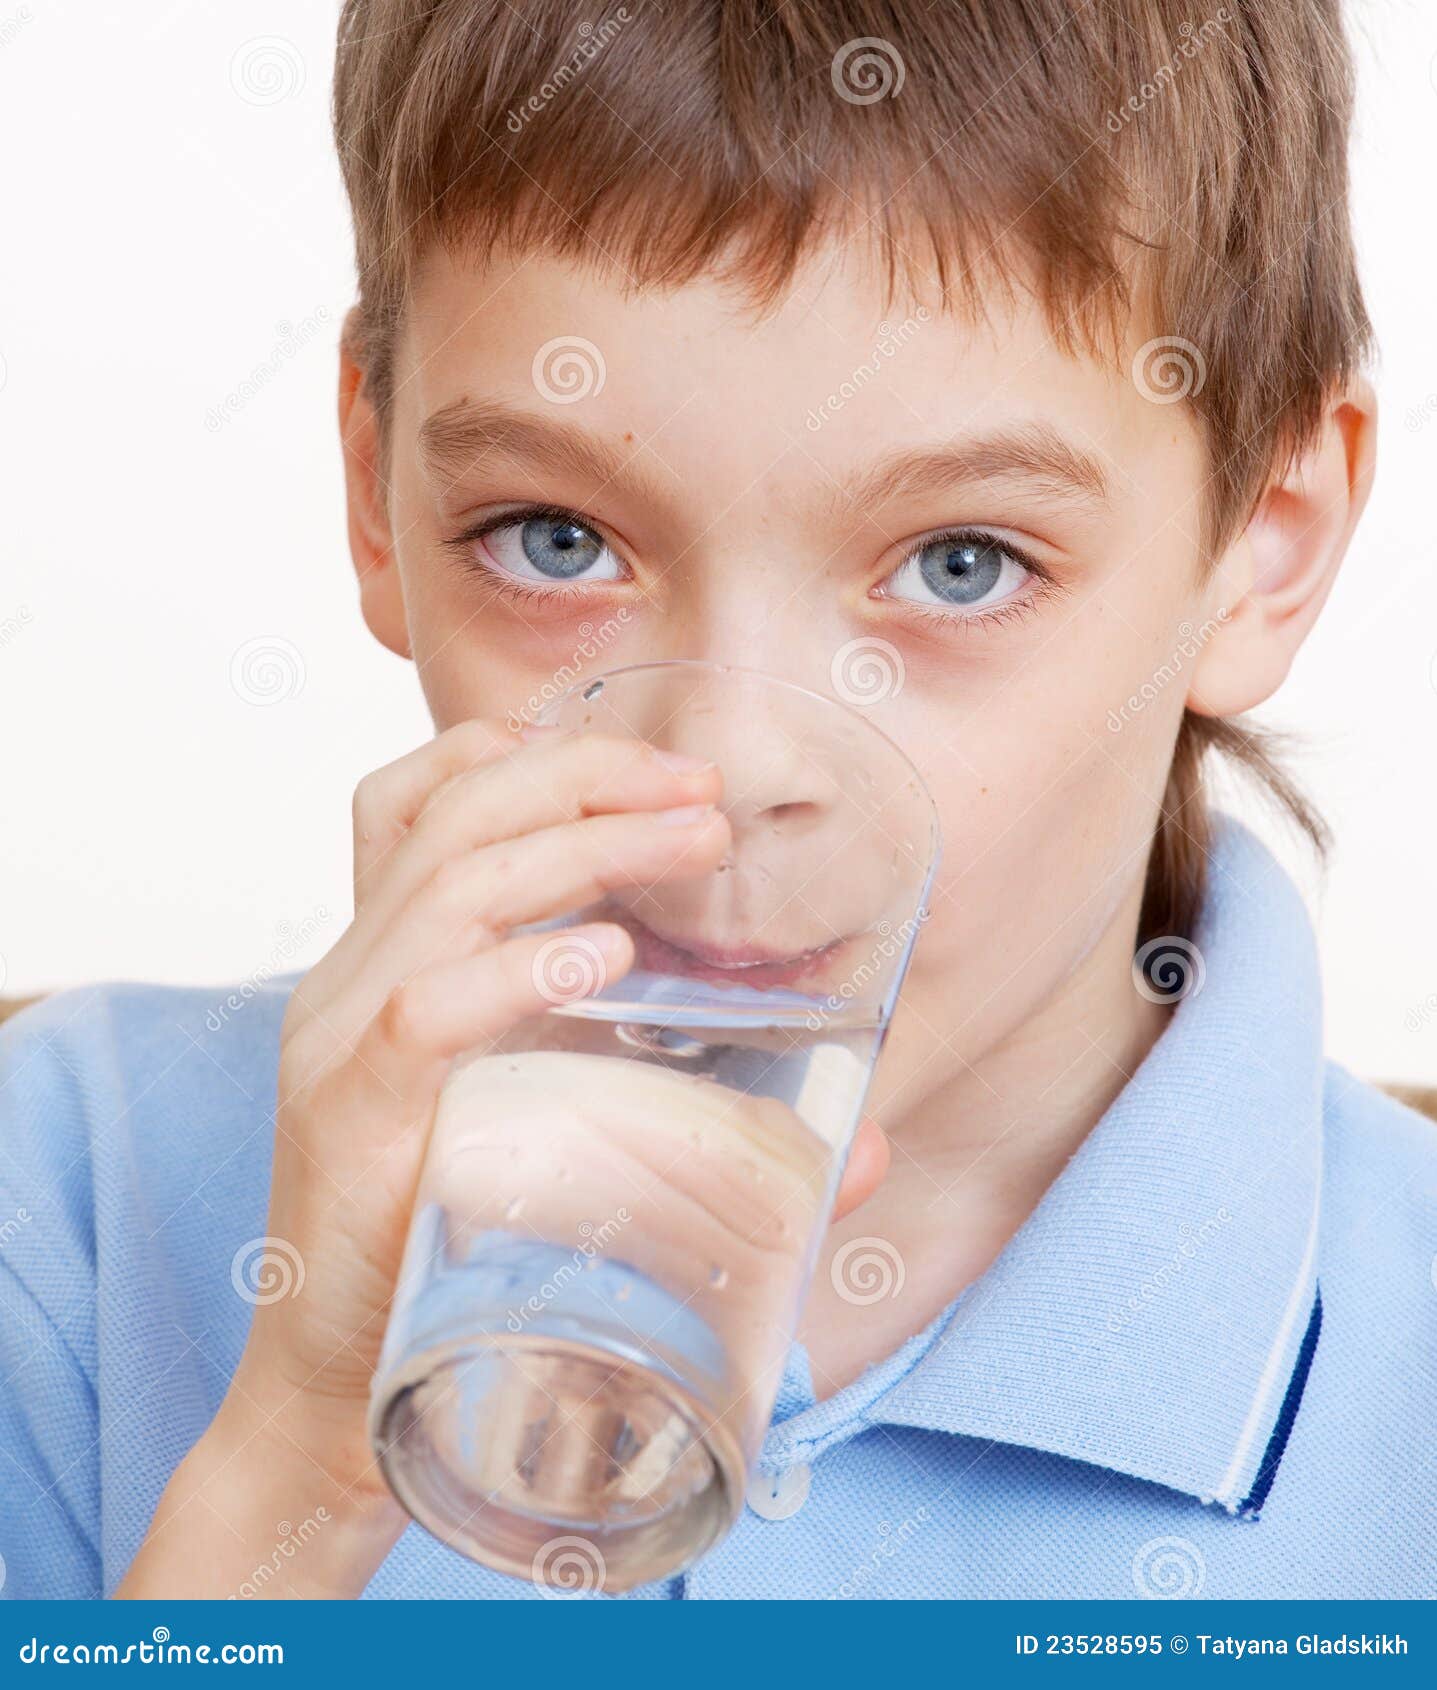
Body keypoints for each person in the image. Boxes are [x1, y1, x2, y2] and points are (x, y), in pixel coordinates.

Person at [2, 0, 1431, 1600]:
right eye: (555, 539)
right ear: (373, 489)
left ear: (1266, 538)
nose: (732, 772)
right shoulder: (60, 1198)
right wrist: (293, 1473)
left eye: (959, 565)